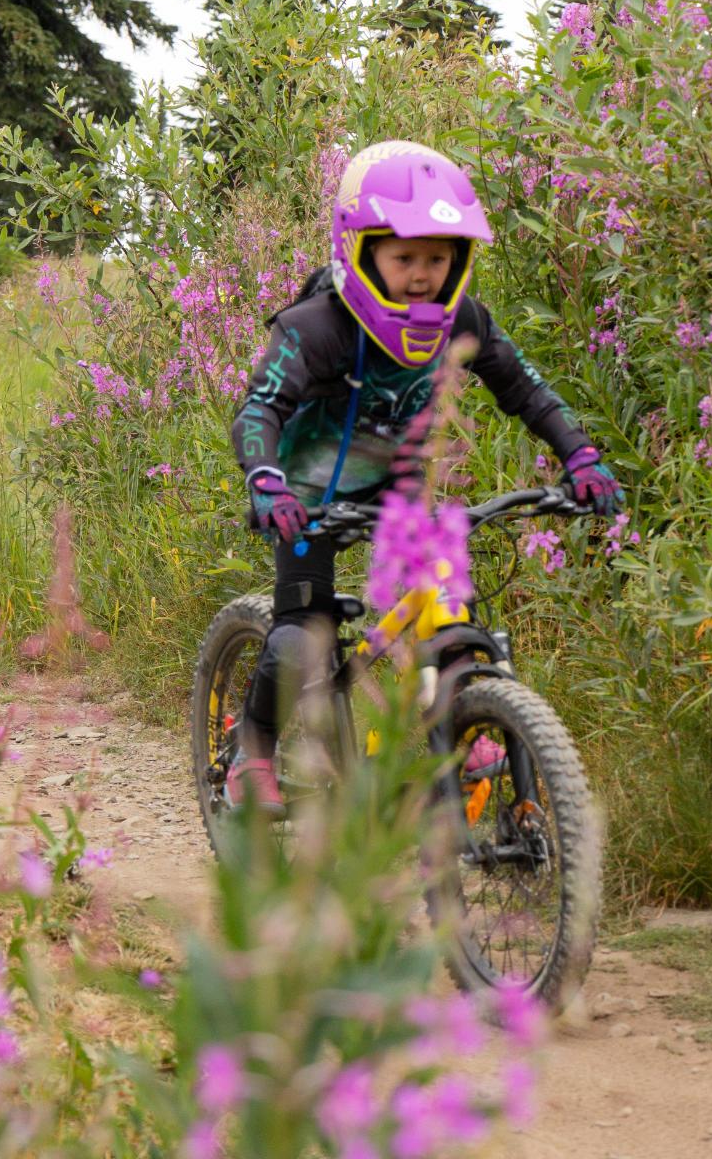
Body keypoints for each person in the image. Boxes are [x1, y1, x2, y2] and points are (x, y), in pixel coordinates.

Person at [227, 140, 622, 812]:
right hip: (302, 494)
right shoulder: (314, 327)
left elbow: (527, 390)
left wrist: (578, 454)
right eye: (404, 256)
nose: (421, 275)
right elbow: (260, 408)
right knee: (302, 634)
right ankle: (253, 747)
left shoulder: (462, 320)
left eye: (438, 259)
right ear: (362, 250)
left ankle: (464, 719)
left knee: (448, 601)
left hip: (398, 489)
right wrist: (266, 480)